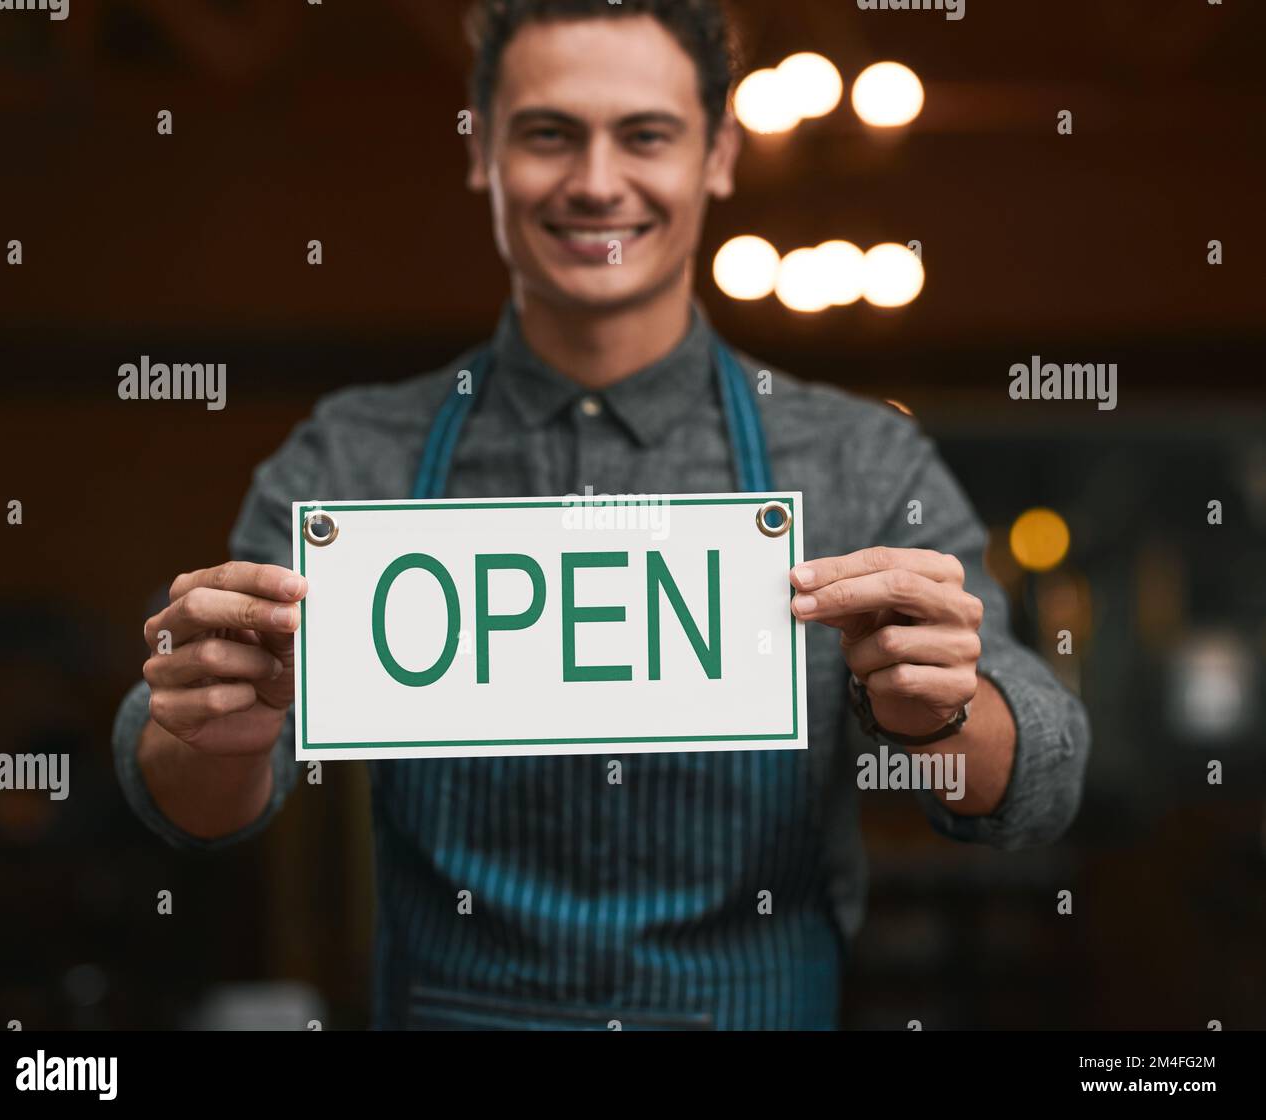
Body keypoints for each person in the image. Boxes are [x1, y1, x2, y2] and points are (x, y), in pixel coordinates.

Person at [112, 0, 1089, 1030]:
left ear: (717, 156)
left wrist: (940, 709)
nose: (594, 180)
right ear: (483, 153)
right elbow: (189, 805)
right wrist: (216, 729)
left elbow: (1039, 780)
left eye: (645, 134)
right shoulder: (352, 456)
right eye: (547, 133)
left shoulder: (861, 460)